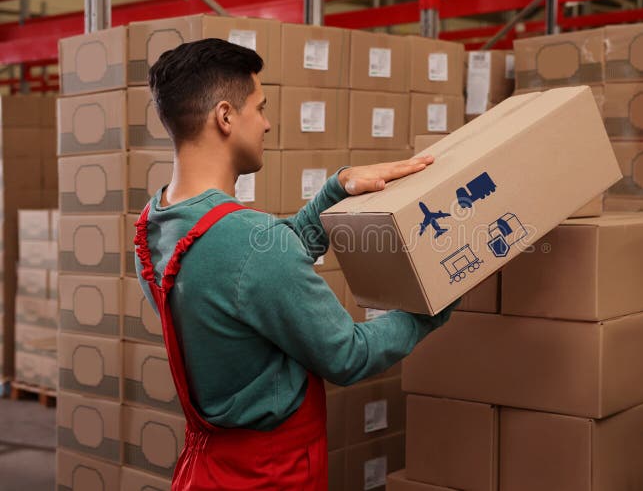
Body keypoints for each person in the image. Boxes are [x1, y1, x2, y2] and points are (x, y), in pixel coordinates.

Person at [134, 38, 455, 490]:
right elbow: (348, 355)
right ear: (225, 117)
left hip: (208, 469)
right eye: (260, 108)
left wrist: (338, 187)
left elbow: (251, 273)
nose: (267, 124)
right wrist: (439, 296)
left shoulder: (155, 224)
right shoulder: (249, 243)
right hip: (271, 475)